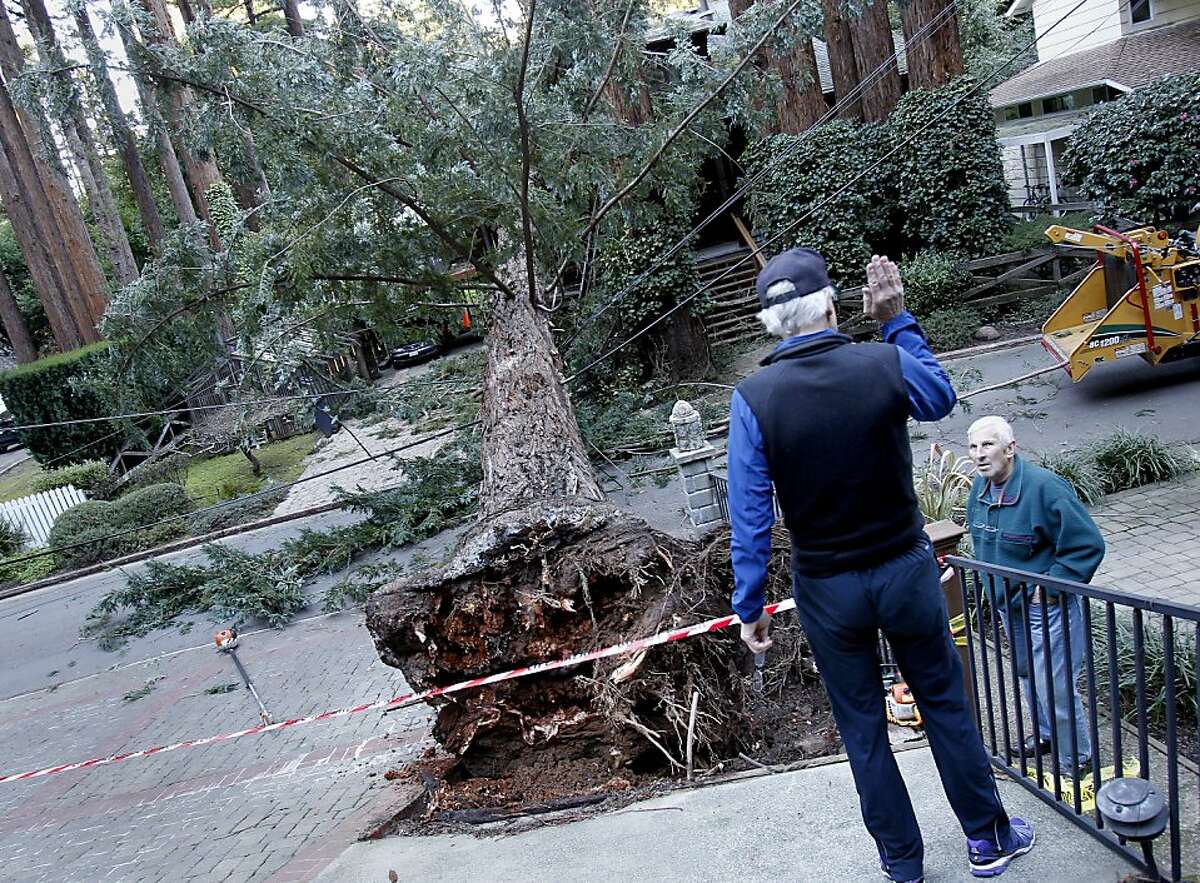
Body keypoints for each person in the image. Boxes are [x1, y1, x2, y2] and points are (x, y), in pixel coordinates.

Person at [728, 248, 1034, 882]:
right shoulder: (884, 362)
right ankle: (988, 839)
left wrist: (750, 606)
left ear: (770, 325)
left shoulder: (753, 398)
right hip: (904, 567)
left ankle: (902, 864)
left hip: (826, 587)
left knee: (863, 727)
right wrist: (895, 319)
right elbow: (940, 398)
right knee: (944, 701)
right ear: (836, 306)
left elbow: (751, 516)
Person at [966, 415, 1104, 778]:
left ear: (1010, 448)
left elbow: (1086, 545)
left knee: (1054, 685)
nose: (980, 454)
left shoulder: (1045, 488)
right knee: (1027, 675)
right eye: (974, 446)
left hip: (1046, 608)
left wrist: (1051, 587)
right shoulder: (979, 492)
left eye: (988, 445)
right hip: (1008, 606)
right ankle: (1046, 736)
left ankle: (1077, 758)